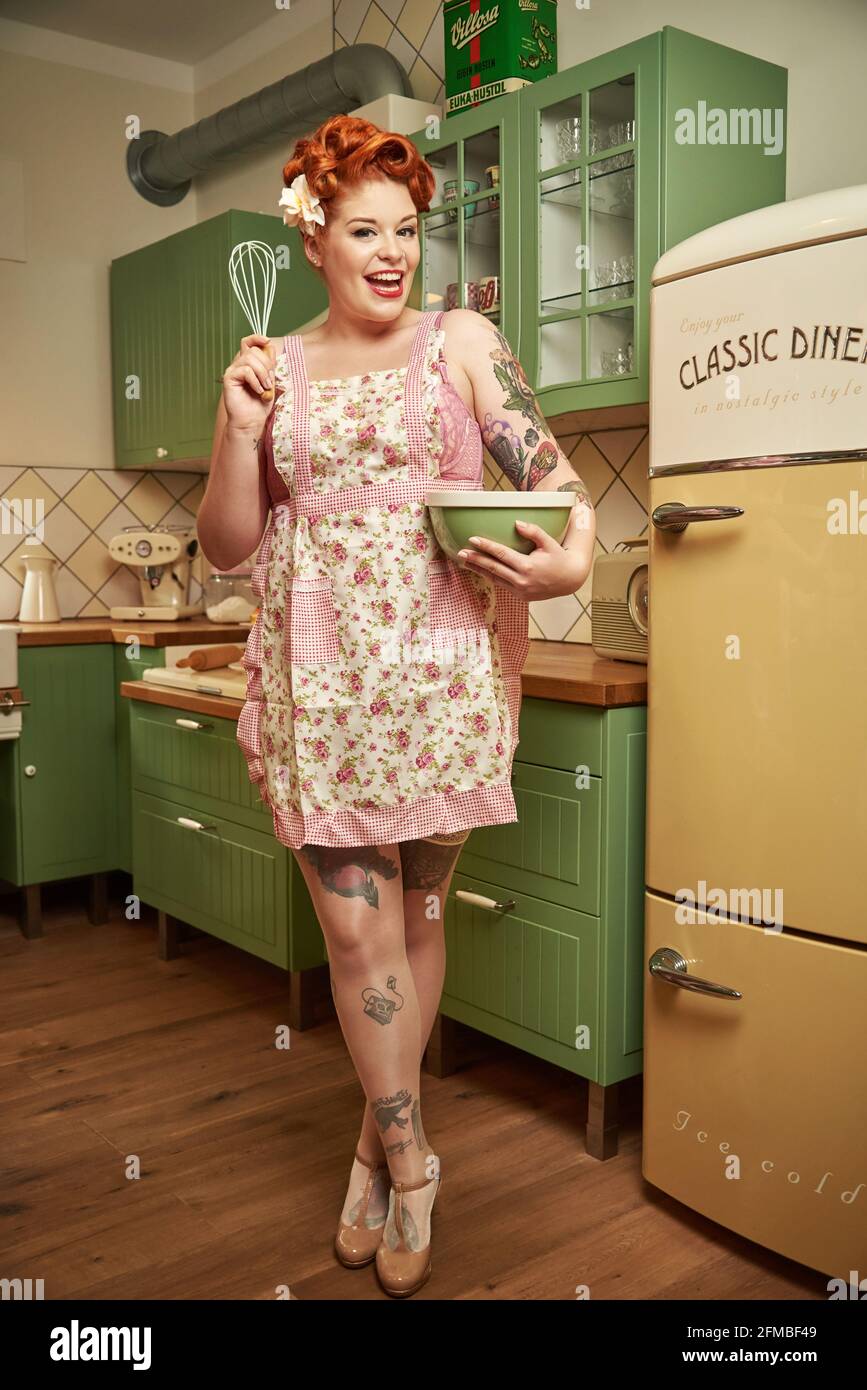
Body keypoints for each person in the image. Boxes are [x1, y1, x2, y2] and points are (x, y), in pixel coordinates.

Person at [197, 113, 595, 1299]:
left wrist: (566, 570)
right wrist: (235, 426)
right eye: (363, 229)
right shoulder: (276, 366)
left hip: (442, 675)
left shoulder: (462, 339)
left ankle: (374, 1141)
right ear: (311, 234)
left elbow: (566, 494)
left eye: (407, 230)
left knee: (420, 917)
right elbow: (225, 548)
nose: (390, 253)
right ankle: (414, 1157)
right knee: (353, 928)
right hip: (317, 682)